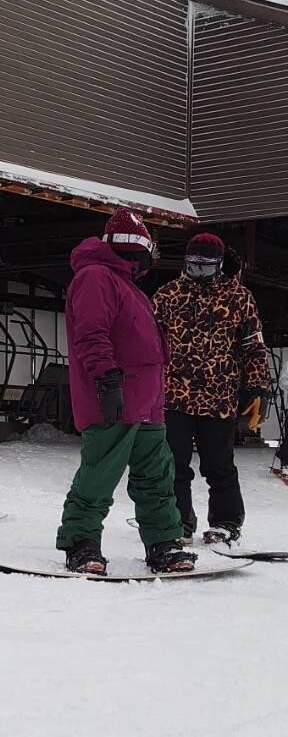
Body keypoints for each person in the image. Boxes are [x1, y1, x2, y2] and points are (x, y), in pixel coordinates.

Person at [56, 207, 195, 575]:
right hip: (114, 400)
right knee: (99, 476)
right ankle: (81, 543)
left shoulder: (127, 285)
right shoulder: (96, 277)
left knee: (157, 477)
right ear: (138, 248)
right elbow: (91, 333)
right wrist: (106, 379)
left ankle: (163, 542)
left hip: (147, 403)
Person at [152, 232, 271, 544]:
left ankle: (226, 522)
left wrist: (258, 386)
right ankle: (178, 521)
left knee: (219, 465)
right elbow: (150, 344)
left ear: (218, 265)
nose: (198, 273)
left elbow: (254, 347)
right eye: (193, 266)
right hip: (175, 396)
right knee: (173, 464)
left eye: (205, 268)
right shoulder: (167, 295)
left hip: (219, 396)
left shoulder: (238, 297)